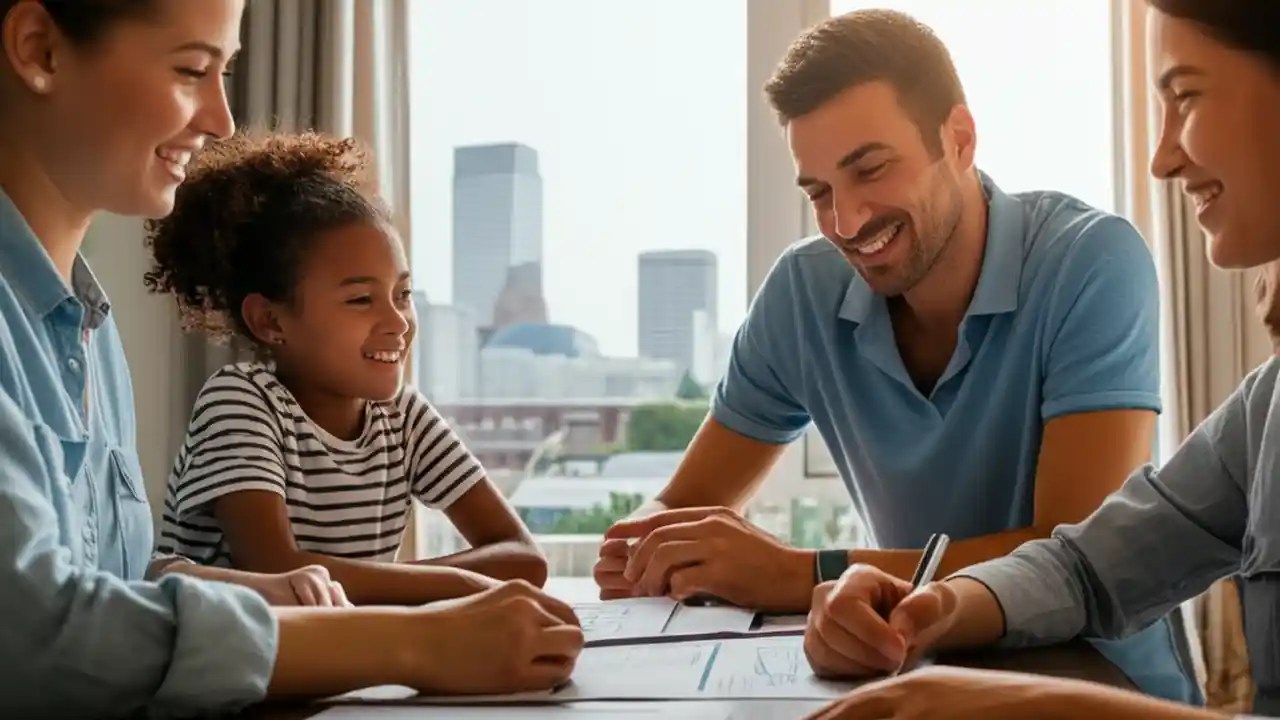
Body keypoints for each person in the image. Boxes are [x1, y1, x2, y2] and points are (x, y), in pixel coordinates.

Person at [594, 7, 1193, 702]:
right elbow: (681, 509)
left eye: (870, 170)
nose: (845, 223)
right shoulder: (802, 292)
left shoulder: (1092, 261)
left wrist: (800, 571)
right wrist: (642, 550)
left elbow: (1070, 554)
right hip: (917, 671)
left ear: (960, 140)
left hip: (1096, 683)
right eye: (819, 192)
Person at [0, 1, 581, 716]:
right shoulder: (229, 397)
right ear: (39, 50)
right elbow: (34, 636)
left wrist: (246, 591)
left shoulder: (85, 332)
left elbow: (107, 582)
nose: (220, 119)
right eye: (191, 70)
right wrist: (412, 643)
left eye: (227, 73)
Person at [803, 1, 1280, 718]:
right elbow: (1089, 566)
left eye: (1185, 95)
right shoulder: (1266, 406)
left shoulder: (1089, 256)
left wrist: (1031, 706)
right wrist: (935, 607)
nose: (1162, 157)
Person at [144, 131, 548, 605]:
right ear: (270, 321)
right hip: (231, 665)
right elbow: (277, 573)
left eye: (402, 295)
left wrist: (404, 585)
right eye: (361, 299)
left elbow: (523, 557)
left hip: (345, 660)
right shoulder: (239, 400)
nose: (397, 321)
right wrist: (459, 584)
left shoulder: (402, 415)